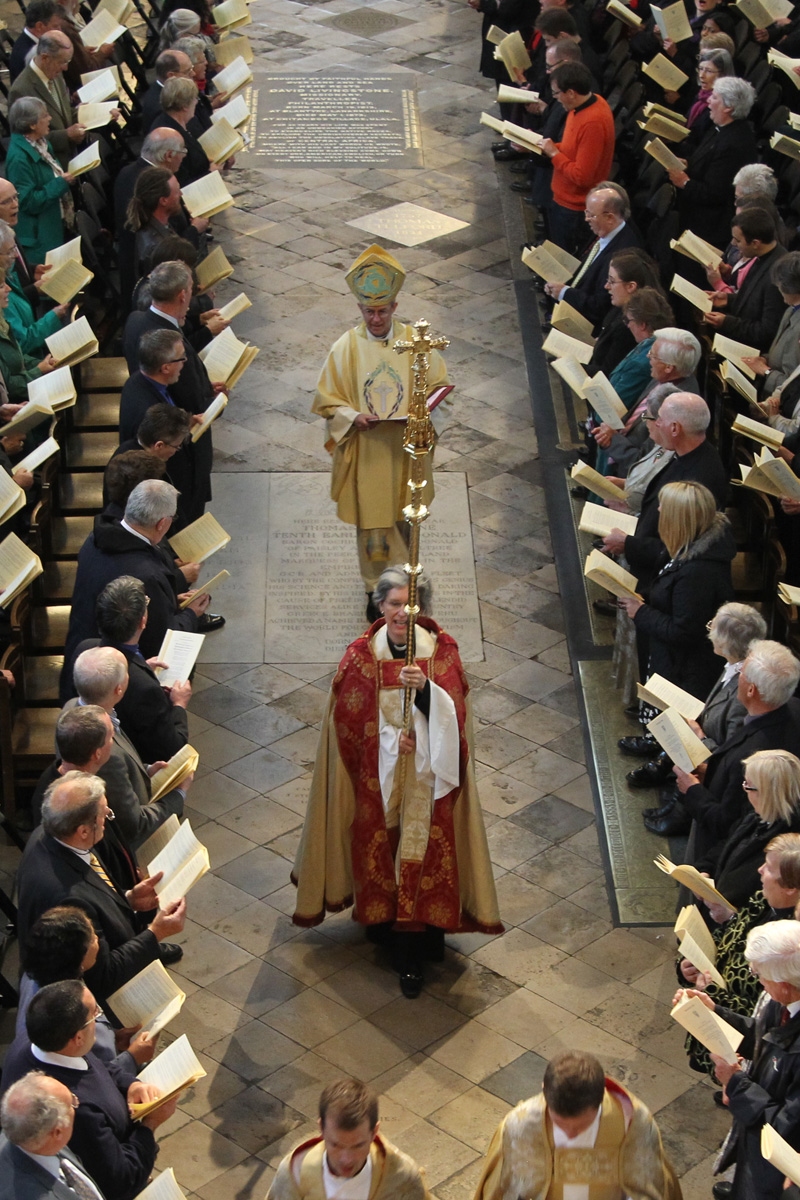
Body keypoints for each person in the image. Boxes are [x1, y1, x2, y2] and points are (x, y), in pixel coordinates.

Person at [292, 566, 501, 998]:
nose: (401, 616)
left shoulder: (440, 652)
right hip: (377, 783)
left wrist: (425, 693)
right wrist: (389, 744)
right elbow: (346, 726)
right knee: (382, 850)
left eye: (410, 608)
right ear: (379, 605)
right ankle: (387, 930)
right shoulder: (359, 657)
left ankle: (420, 945)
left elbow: (457, 721)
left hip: (429, 782)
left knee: (422, 856)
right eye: (392, 606)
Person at [311, 245, 449, 617]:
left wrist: (422, 411)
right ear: (359, 309)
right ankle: (377, 590)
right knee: (374, 526)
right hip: (369, 448)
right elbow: (327, 400)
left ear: (395, 307)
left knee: (406, 519)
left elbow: (440, 387)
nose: (375, 318)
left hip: (405, 448)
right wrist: (353, 416)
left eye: (382, 311)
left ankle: (408, 583)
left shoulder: (416, 344)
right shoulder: (346, 348)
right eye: (369, 311)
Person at [16, 772, 187, 1002]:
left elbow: (95, 889)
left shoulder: (52, 834)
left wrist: (128, 898)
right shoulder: (69, 900)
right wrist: (156, 933)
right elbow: (103, 976)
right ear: (83, 831)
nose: (108, 815)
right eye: (103, 813)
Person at [0, 980, 175, 1200]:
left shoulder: (45, 1040)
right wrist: (150, 1124)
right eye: (95, 1014)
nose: (99, 1019)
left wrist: (131, 1084)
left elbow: (97, 1066)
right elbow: (120, 1181)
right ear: (78, 1037)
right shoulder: (74, 1109)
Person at [676, 920, 800, 1200]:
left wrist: (735, 1083)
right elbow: (763, 1038)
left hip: (775, 1174)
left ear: (782, 985)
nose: (757, 981)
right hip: (752, 1146)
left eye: (758, 975)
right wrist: (716, 1013)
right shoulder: (781, 1000)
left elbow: (784, 1129)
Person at [60, 478, 211, 693]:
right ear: (162, 524)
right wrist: (191, 614)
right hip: (113, 683)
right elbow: (161, 638)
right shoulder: (146, 575)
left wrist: (168, 599)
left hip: (83, 662)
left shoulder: (95, 538)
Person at [676, 833, 800, 1079]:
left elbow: (761, 1010)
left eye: (769, 868)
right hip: (727, 1037)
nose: (760, 870)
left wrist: (713, 994)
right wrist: (691, 966)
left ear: (791, 888)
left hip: (742, 1055)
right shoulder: (763, 899)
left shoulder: (787, 950)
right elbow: (730, 941)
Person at [473, 1050, 676, 1200]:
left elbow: (649, 1188)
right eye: (560, 1125)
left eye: (580, 1128)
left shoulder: (632, 1124)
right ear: (544, 1091)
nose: (571, 1135)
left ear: (600, 1100)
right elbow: (500, 1189)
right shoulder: (520, 1126)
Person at [662, 640, 800, 844]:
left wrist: (692, 790)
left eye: (741, 673)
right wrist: (713, 772)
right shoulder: (795, 707)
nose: (737, 677)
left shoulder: (751, 757)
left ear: (751, 690)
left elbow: (727, 822)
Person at [632, 601, 766, 792]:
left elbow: (731, 756)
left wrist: (699, 736)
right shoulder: (734, 664)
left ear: (725, 643)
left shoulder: (744, 689)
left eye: (712, 626)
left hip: (713, 769)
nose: (709, 631)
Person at [63, 657, 189, 847]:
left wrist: (146, 770)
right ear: (119, 690)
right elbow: (134, 825)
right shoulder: (105, 752)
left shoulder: (71, 708)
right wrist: (178, 794)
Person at [83, 575, 191, 764]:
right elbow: (173, 747)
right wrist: (179, 705)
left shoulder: (85, 650)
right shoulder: (145, 689)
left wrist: (140, 666)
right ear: (143, 621)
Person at [268, 1078, 429, 1200]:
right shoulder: (294, 1174)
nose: (346, 1159)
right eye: (336, 1145)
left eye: (358, 1146)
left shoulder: (402, 1177)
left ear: (374, 1132)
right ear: (321, 1129)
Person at [538, 62, 615, 255]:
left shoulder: (593, 122)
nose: (555, 98)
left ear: (571, 93)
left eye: (556, 93)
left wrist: (554, 154)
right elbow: (574, 148)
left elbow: (583, 176)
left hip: (574, 207)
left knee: (566, 259)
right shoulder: (583, 106)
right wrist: (545, 146)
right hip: (562, 197)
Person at [671, 77, 758, 245]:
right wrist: (688, 163)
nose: (709, 101)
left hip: (709, 225)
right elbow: (705, 157)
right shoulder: (720, 128)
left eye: (715, 97)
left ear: (729, 107)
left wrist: (685, 183)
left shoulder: (733, 144)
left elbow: (714, 193)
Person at [541, 183, 639, 327]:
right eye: (586, 212)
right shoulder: (604, 232)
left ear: (610, 218)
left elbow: (600, 306)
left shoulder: (622, 255)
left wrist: (564, 293)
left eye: (591, 215)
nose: (586, 219)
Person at [0, 1070, 107, 1200]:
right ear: (57, 1132)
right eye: (72, 1103)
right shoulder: (32, 1193)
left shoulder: (23, 1129)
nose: (76, 1102)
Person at [703, 207, 788, 349]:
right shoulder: (760, 256)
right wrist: (728, 299)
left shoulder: (777, 274)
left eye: (738, 240)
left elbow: (766, 331)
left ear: (755, 243)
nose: (733, 244)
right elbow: (754, 299)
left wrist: (727, 322)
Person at [4, 97, 74, 268]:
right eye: (44, 116)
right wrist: (60, 183)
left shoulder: (41, 144)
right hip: (40, 236)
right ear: (32, 125)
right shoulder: (19, 159)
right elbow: (27, 201)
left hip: (52, 224)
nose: (49, 118)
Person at [7, 30, 85, 170]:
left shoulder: (55, 73)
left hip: (73, 155)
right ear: (45, 58)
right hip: (52, 166)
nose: (65, 68)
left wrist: (90, 112)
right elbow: (28, 141)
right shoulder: (21, 91)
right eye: (63, 62)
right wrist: (66, 136)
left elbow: (63, 112)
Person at [137, 49, 195, 134]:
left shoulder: (170, 89)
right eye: (188, 71)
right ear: (171, 76)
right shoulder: (161, 108)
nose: (193, 74)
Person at [9, 0, 61, 81]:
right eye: (55, 26)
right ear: (40, 26)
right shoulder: (30, 56)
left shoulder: (34, 40)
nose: (59, 30)